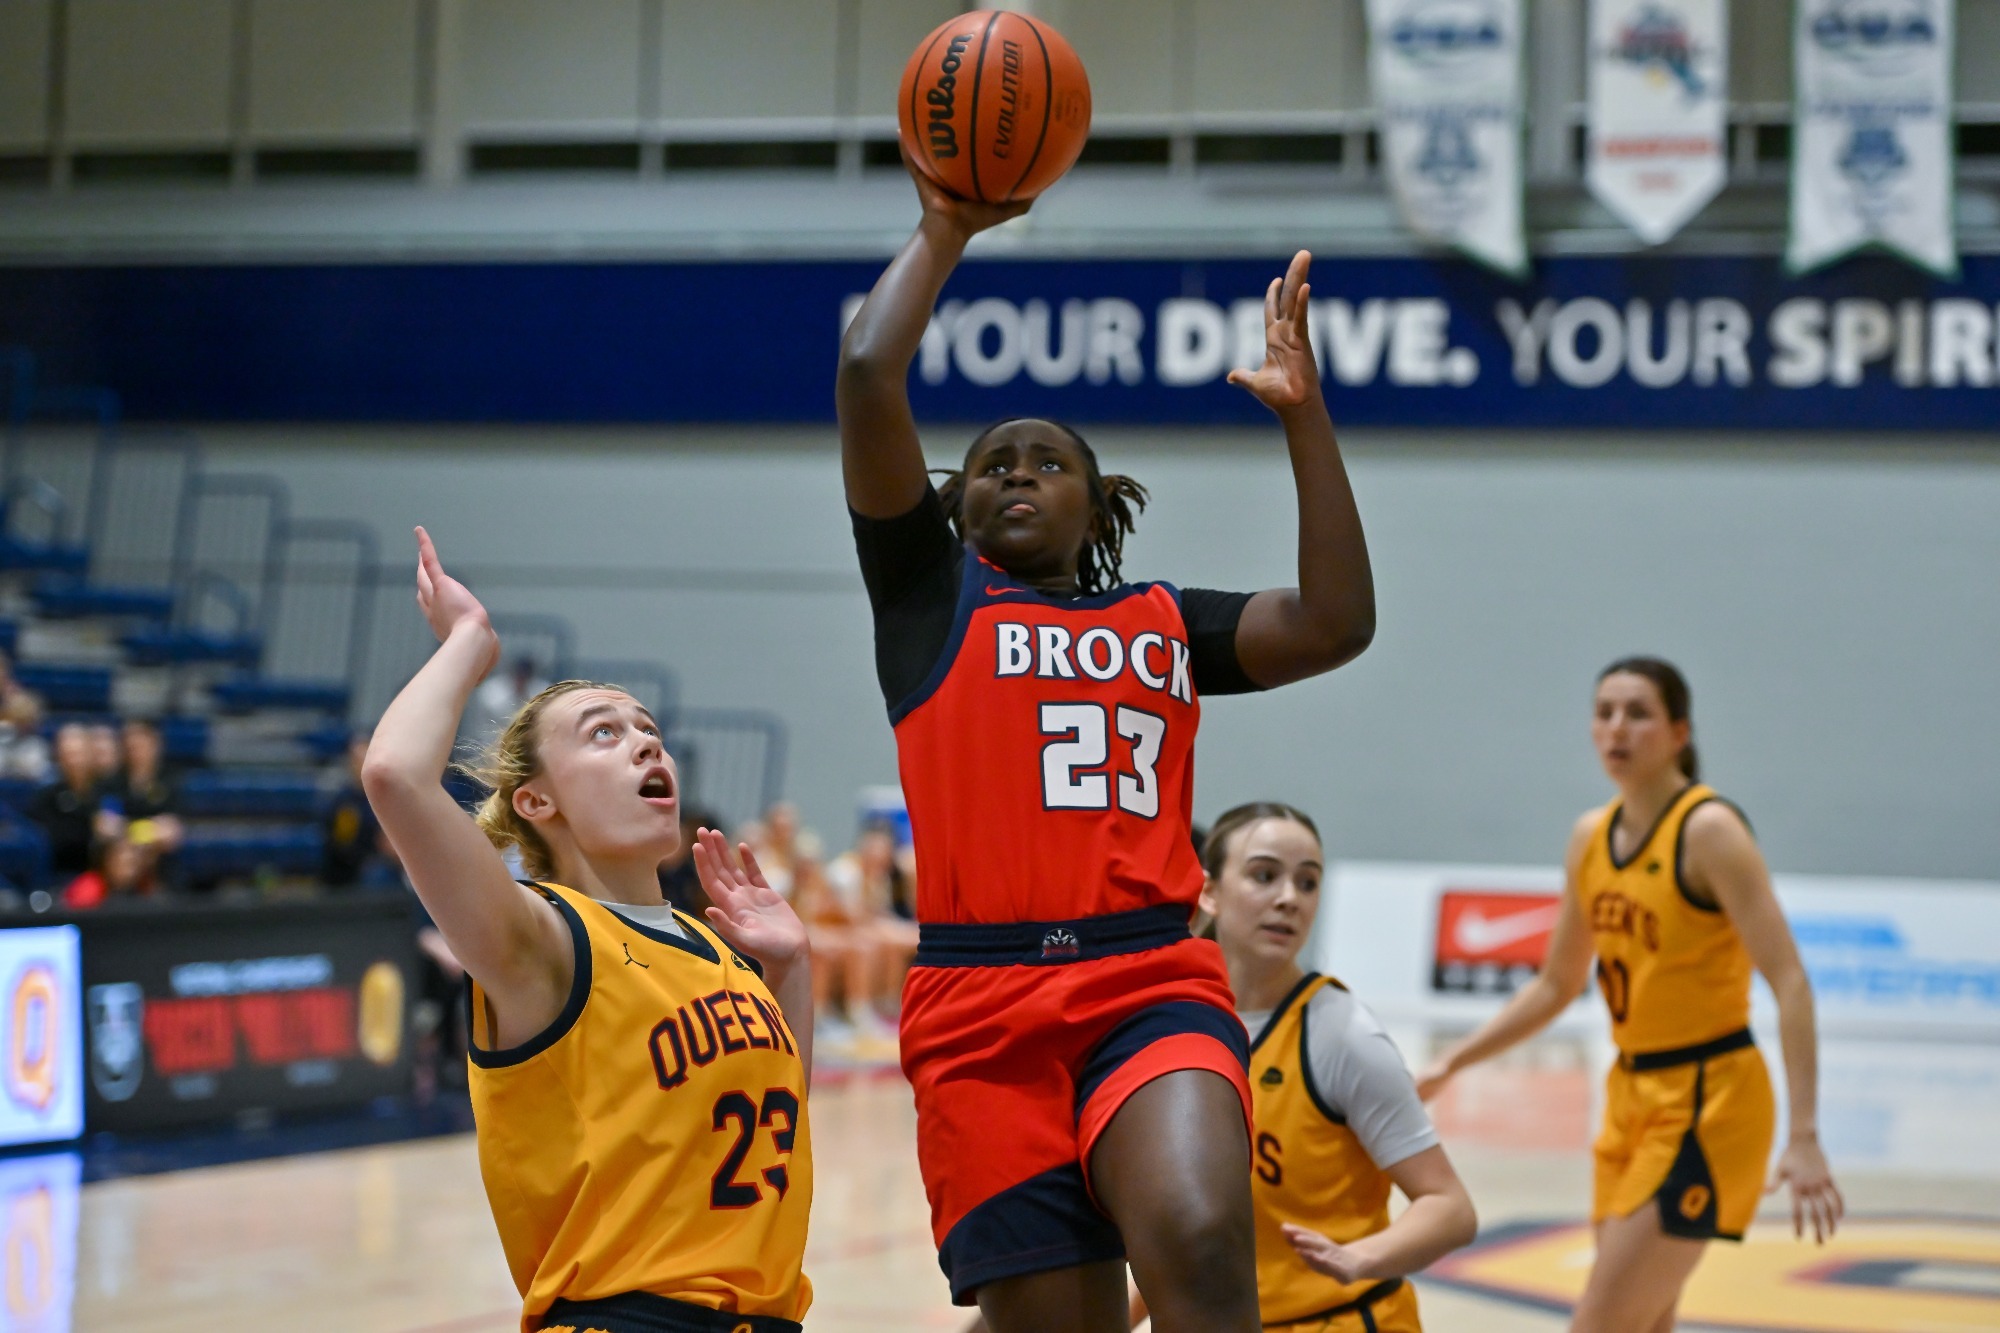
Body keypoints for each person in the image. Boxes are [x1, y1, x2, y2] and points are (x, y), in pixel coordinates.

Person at [838, 153, 1374, 1332]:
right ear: (956, 502)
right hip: (977, 1002)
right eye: (991, 464)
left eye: (1049, 462)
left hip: (1146, 977)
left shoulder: (1163, 622)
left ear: (1096, 502)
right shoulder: (929, 602)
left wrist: (1304, 415)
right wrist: (942, 230)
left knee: (1192, 1233)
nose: (1017, 473)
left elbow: (1336, 622)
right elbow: (870, 370)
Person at [361, 528, 815, 1333]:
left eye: (648, 729)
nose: (645, 739)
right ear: (538, 801)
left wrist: (793, 968)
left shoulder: (711, 944)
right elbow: (396, 774)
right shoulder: (544, 938)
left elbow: (767, 1121)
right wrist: (471, 641)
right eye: (603, 732)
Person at [1416, 658, 1843, 1333]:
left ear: (1679, 732)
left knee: (1600, 1322)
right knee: (1645, 1321)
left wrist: (1806, 1134)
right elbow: (1558, 984)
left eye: (1637, 712)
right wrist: (1454, 1061)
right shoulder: (1591, 835)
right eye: (1604, 711)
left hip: (1710, 1100)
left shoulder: (1709, 832)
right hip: (1629, 1097)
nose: (1617, 727)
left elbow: (1789, 978)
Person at [27, 722, 104, 879]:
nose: (74, 761)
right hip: (66, 875)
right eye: (67, 754)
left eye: (78, 753)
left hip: (110, 877)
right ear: (58, 757)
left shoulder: (108, 790)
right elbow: (52, 840)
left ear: (91, 754)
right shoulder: (46, 797)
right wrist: (91, 828)